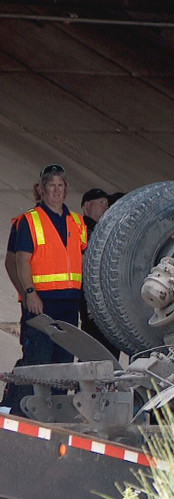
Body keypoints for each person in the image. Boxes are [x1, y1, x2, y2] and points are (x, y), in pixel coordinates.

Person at [1, 164, 88, 416]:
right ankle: (22, 415)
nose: (57, 190)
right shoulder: (30, 221)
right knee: (37, 362)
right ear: (41, 189)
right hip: (41, 303)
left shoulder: (77, 222)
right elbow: (19, 261)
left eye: (61, 186)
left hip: (69, 304)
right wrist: (28, 293)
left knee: (62, 365)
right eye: (52, 185)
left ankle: (55, 416)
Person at [78, 187, 120, 360]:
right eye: (101, 203)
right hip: (93, 301)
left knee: (108, 350)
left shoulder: (103, 230)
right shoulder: (82, 228)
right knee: (93, 348)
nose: (105, 206)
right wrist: (92, 302)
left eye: (106, 203)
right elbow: (86, 265)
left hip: (105, 302)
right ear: (87, 206)